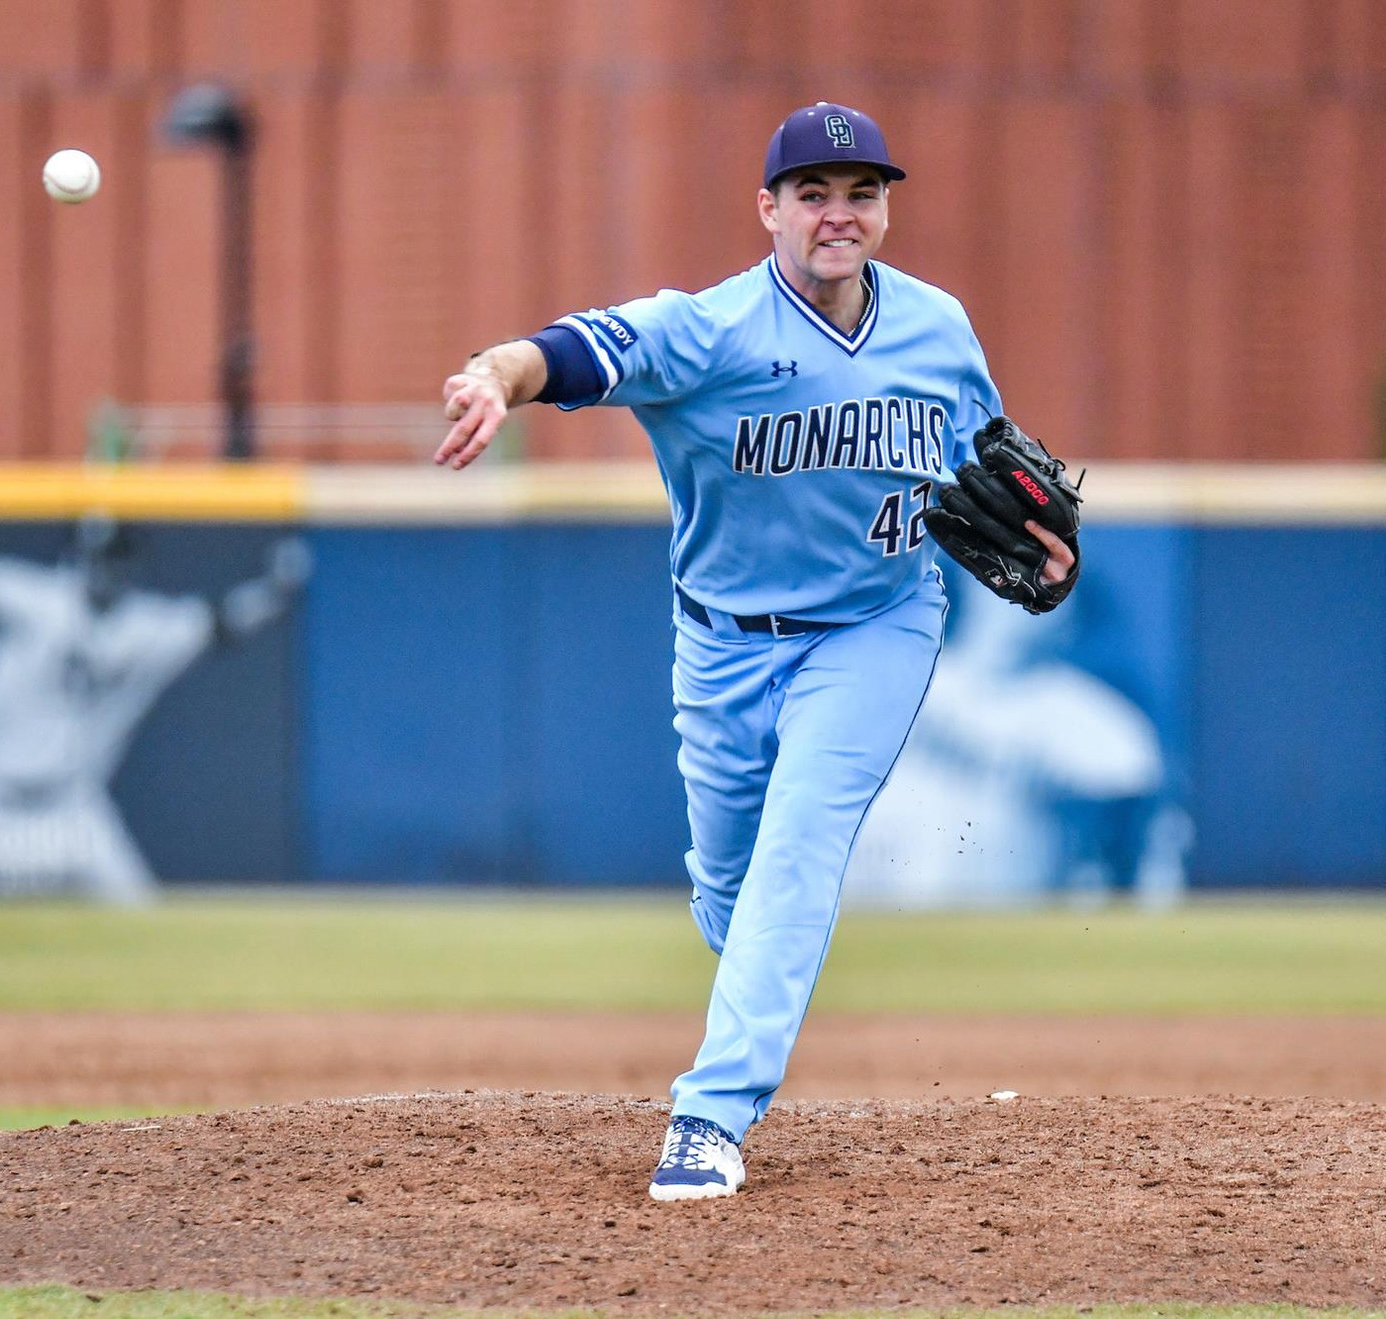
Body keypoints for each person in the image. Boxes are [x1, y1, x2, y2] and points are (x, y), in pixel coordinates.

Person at [436, 102, 1075, 1201]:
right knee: (732, 890)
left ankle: (710, 1115)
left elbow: (991, 476)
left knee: (796, 851)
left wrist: (1044, 548)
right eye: (815, 194)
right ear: (768, 209)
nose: (840, 213)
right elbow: (575, 350)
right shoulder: (709, 330)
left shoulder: (940, 328)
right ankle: (757, 986)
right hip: (723, 646)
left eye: (862, 193)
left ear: (885, 209)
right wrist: (497, 376)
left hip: (876, 628)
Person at [0, 516, 309, 905]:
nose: (100, 570)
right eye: (92, 557)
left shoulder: (147, 627)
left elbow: (221, 625)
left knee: (147, 927)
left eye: (112, 558)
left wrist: (276, 589)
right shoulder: (34, 596)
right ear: (74, 558)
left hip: (71, 813)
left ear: (131, 566)